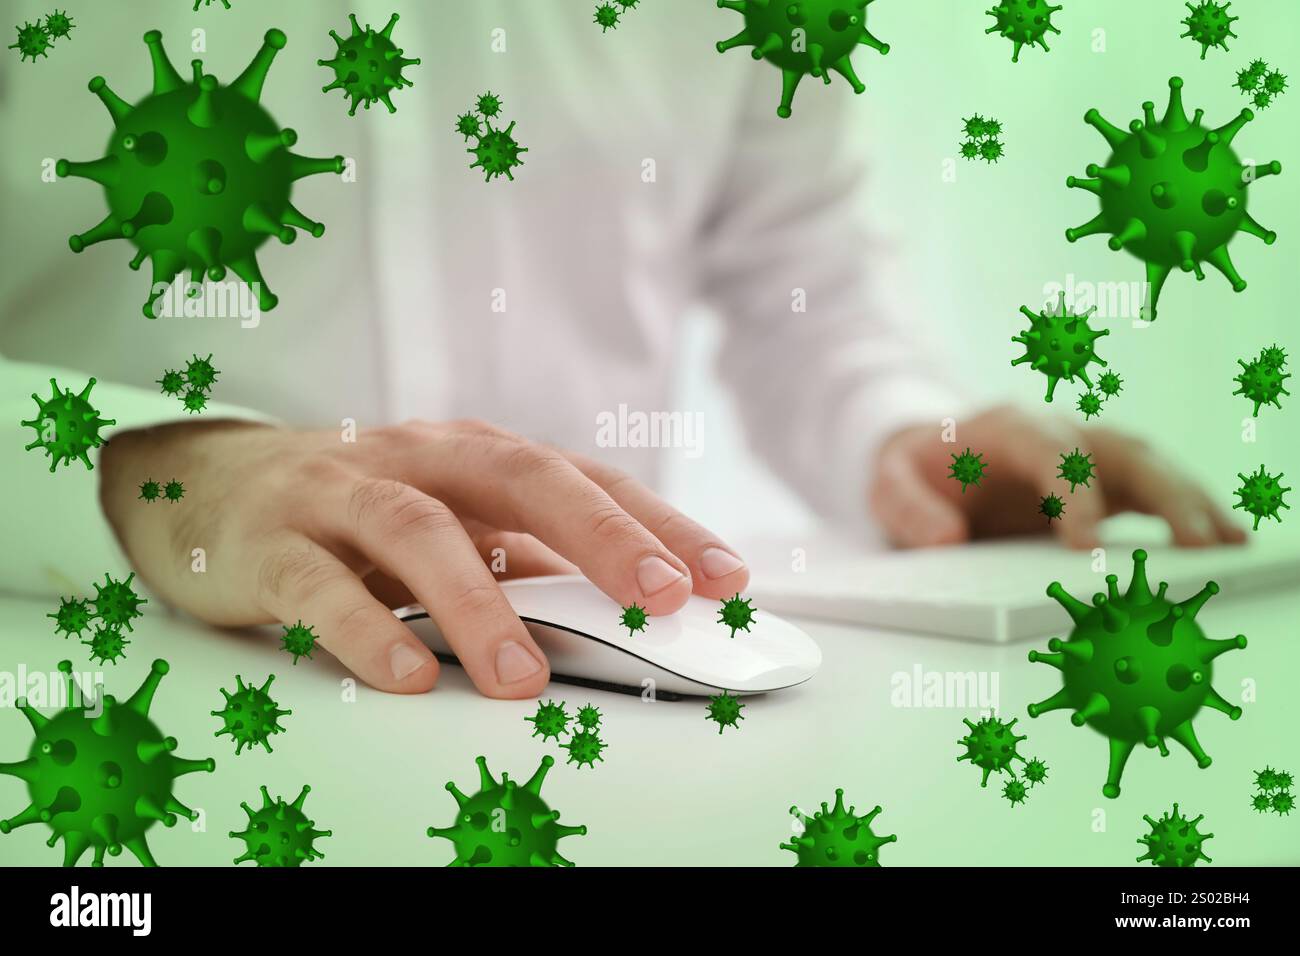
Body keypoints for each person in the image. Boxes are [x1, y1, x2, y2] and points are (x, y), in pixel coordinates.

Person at [0, 3, 1242, 700]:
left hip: (578, 690)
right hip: (110, 665)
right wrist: (149, 469)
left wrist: (901, 427)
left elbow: (796, 274)